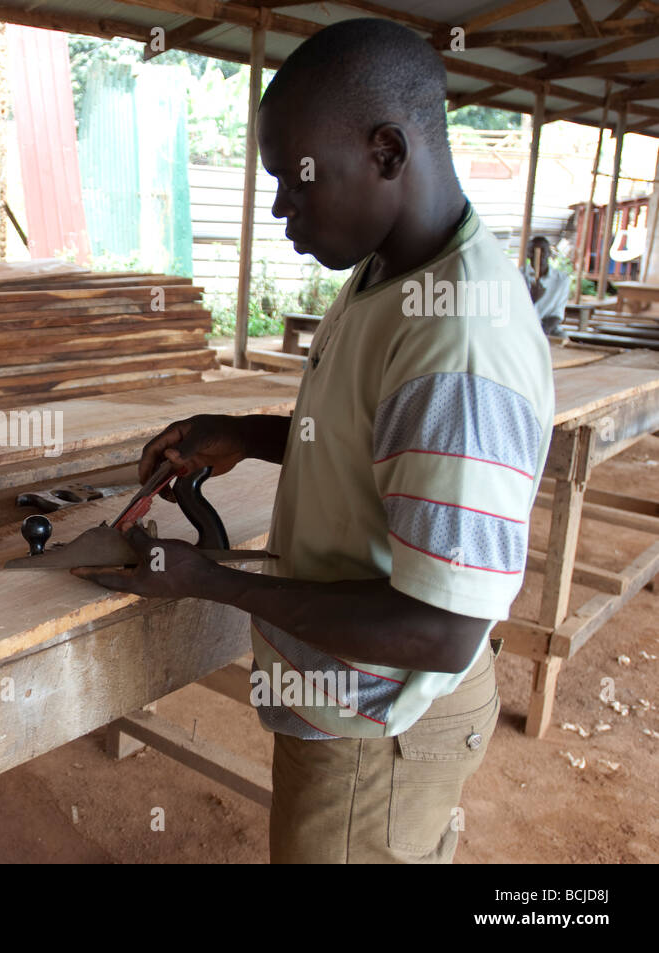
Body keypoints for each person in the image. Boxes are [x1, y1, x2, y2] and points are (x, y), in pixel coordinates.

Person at [74, 19, 555, 864]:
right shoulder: (390, 273)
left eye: (295, 181)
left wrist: (208, 580)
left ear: (387, 153)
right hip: (352, 708)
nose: (278, 208)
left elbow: (438, 627)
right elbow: (374, 439)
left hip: (378, 731)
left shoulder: (460, 346)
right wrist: (246, 436)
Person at [523, 236, 570, 336]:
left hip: (548, 328)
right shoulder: (518, 276)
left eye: (543, 251)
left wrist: (541, 332)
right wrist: (532, 298)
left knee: (562, 336)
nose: (538, 255)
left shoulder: (561, 279)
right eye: (533, 251)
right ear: (528, 254)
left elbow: (557, 313)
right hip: (522, 326)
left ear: (549, 253)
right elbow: (515, 311)